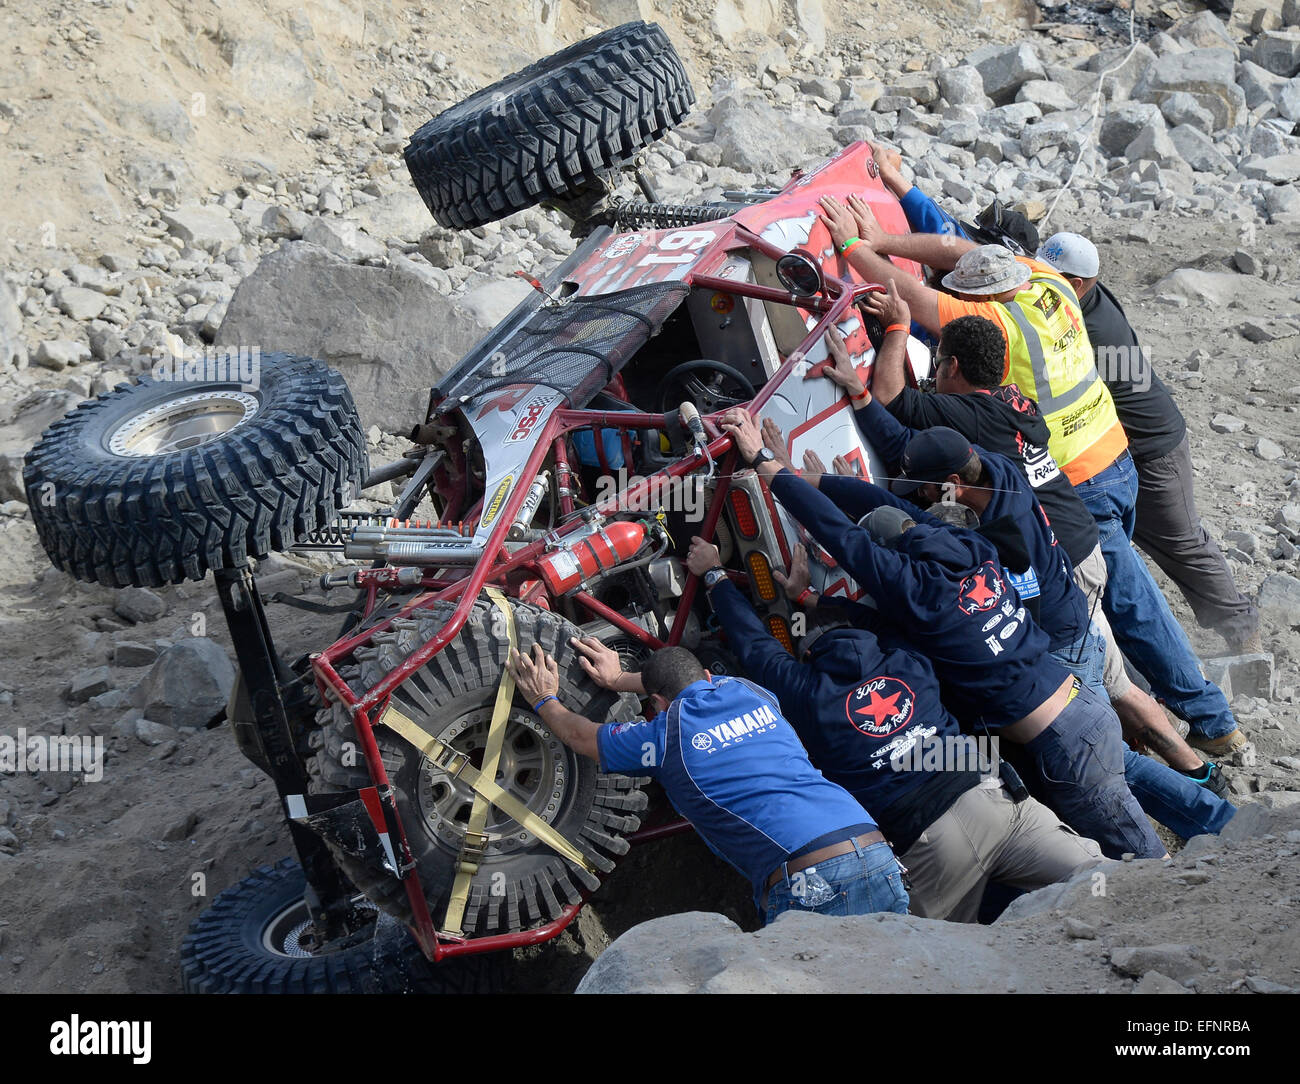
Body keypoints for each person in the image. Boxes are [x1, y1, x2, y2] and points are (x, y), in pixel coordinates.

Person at [820, 195, 1247, 760]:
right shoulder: (1050, 281)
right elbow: (955, 249)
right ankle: (1169, 712)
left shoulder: (991, 322)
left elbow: (917, 304)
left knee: (1130, 605)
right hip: (1115, 456)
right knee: (1126, 596)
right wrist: (881, 241)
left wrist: (852, 248)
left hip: (1081, 481)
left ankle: (1208, 720)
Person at [719, 407, 1166, 861]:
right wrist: (814, 597)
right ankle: (1199, 809)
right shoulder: (974, 548)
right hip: (1079, 706)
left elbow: (840, 537)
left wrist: (764, 462)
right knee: (1113, 820)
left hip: (1063, 740)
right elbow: (892, 510)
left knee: (1134, 852)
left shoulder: (918, 591)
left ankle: (1187, 883)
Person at [681, 533, 1102, 922]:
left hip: (931, 844)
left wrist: (714, 575)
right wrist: (810, 597)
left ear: (810, 657)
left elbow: (753, 645)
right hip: (999, 803)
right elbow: (883, 626)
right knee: (1101, 880)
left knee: (925, 964)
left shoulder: (807, 694)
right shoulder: (908, 662)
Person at [505, 641, 909, 926]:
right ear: (710, 676)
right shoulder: (750, 691)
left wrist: (544, 699)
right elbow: (681, 686)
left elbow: (580, 737)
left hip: (811, 877)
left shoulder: (665, 736)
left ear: (657, 705)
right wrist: (622, 679)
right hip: (875, 850)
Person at [1036, 231, 1262, 660]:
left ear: (1079, 283)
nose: (1038, 285)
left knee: (1182, 545)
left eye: (1050, 276)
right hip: (1123, 445)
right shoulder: (1084, 300)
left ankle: (1243, 631)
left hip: (1152, 449)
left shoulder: (1087, 325)